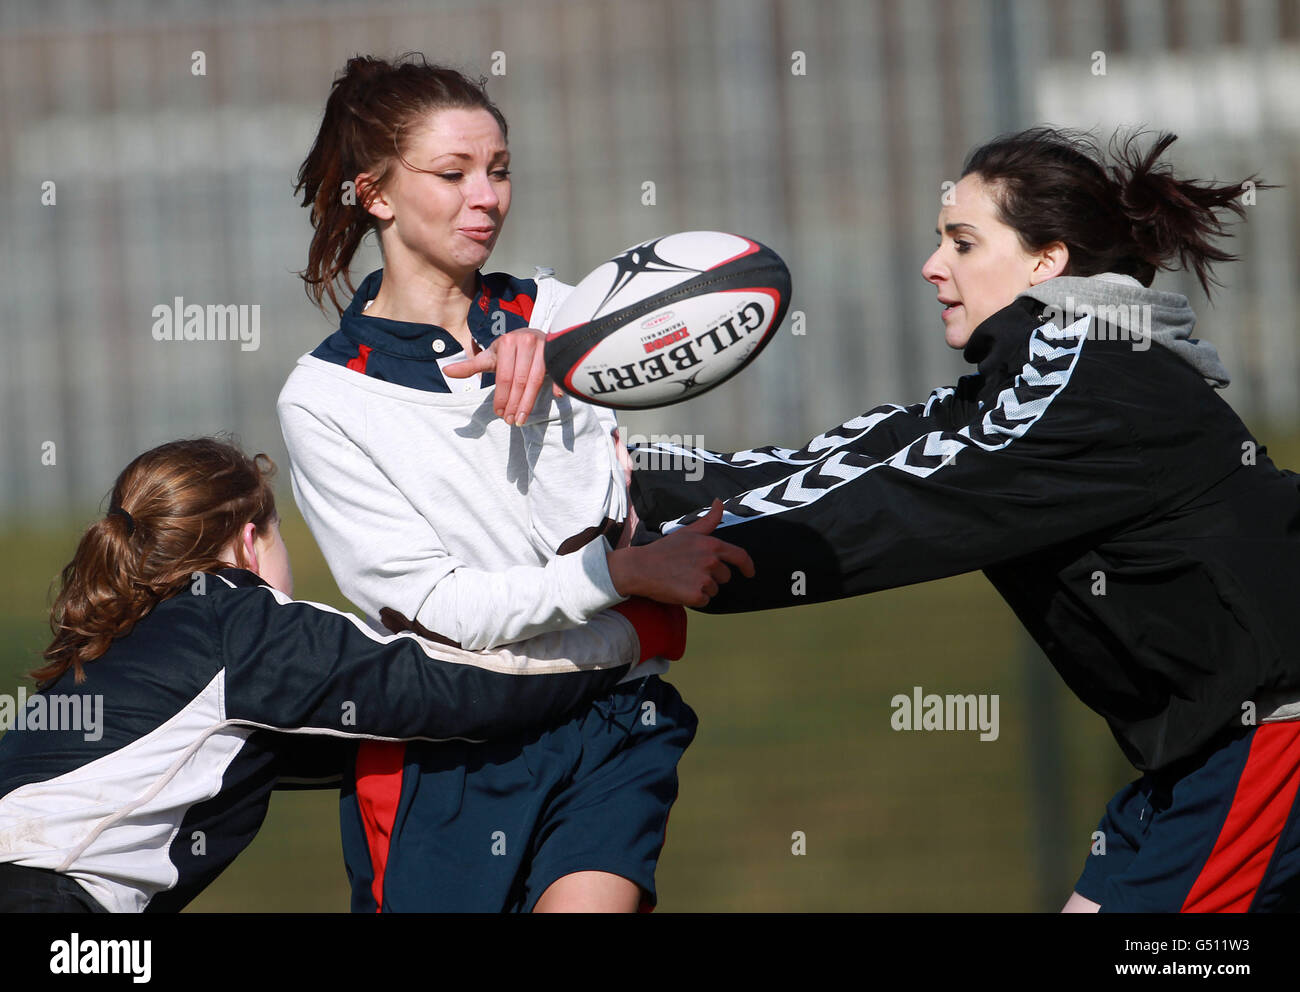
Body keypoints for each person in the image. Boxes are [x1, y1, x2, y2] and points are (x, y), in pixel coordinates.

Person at [563, 127, 1299, 913]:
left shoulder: (1090, 384)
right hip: (1207, 752)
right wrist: (600, 472)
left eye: (962, 241)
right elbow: (828, 465)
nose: (931, 264)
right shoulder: (1032, 380)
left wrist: (688, 555)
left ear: (1046, 261)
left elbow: (888, 510)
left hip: (1270, 739)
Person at [278, 53, 752, 913]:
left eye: (498, 171)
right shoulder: (325, 398)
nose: (487, 196)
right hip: (447, 760)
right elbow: (443, 607)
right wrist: (623, 576)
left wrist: (563, 363)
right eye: (452, 173)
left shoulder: (569, 315)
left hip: (610, 718)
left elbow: (708, 304)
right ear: (375, 194)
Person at [0, 436, 677, 913]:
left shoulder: (123, 641)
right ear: (246, 539)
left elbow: (365, 731)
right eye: (279, 530)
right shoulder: (236, 618)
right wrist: (628, 626)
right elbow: (450, 685)